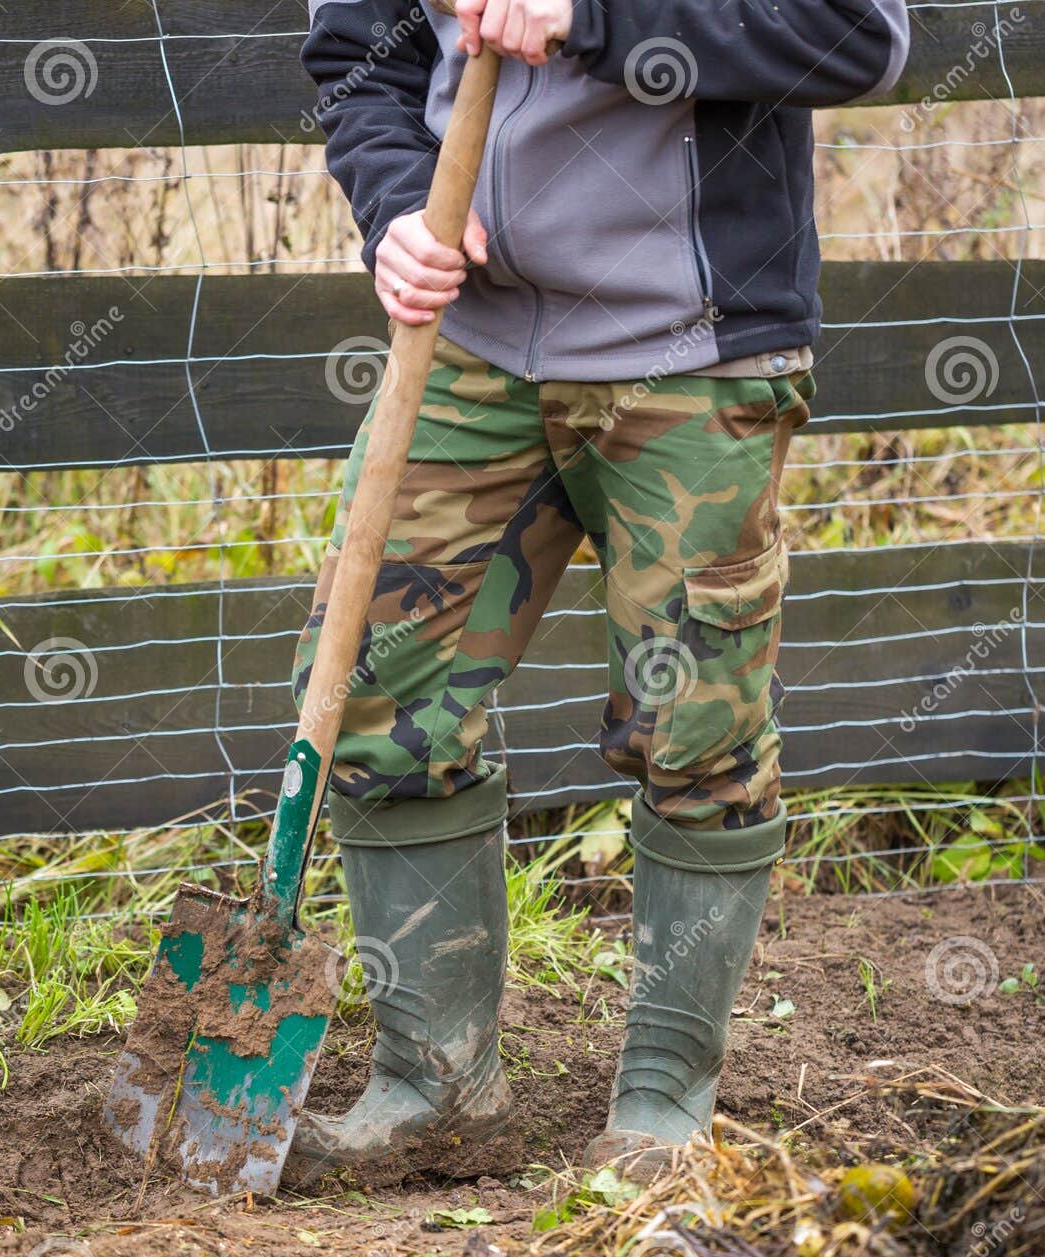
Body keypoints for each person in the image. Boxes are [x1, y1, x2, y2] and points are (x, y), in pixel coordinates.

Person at [290, 0, 910, 1183]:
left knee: (696, 724)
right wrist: (395, 206)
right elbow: (356, 60)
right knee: (378, 689)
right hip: (471, 353)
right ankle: (434, 1085)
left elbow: (858, 37)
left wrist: (595, 14)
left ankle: (661, 1113)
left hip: (690, 350)